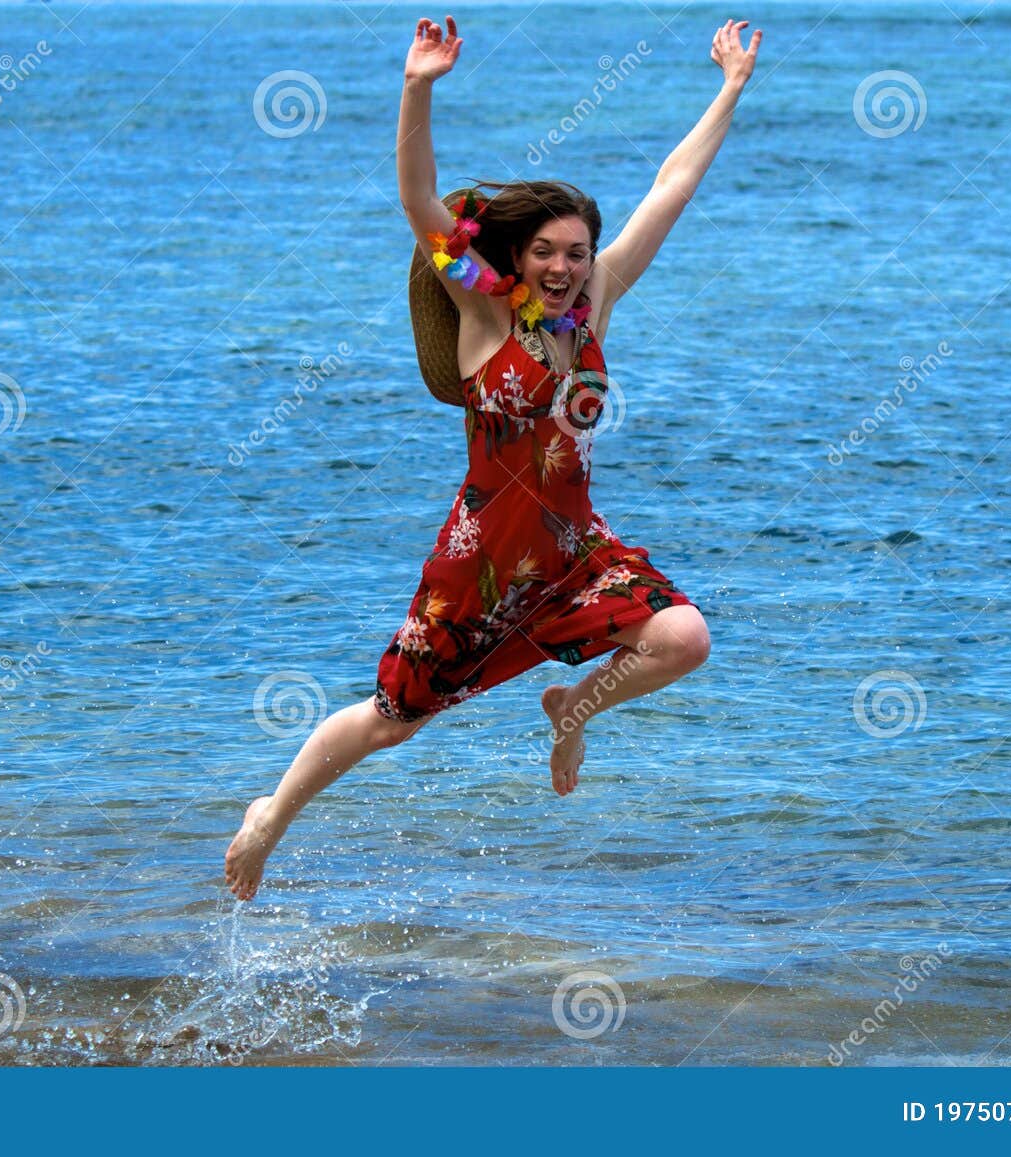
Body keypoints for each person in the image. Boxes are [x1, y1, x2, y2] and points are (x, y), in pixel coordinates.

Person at [225, 14, 762, 901]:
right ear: (517, 256)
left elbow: (673, 184)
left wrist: (731, 87)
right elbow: (418, 202)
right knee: (393, 720)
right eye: (545, 251)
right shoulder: (484, 314)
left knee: (683, 637)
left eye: (577, 252)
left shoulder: (599, 303)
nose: (563, 266)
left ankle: (572, 706)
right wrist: (417, 85)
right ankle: (271, 816)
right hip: (480, 561)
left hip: (571, 546)